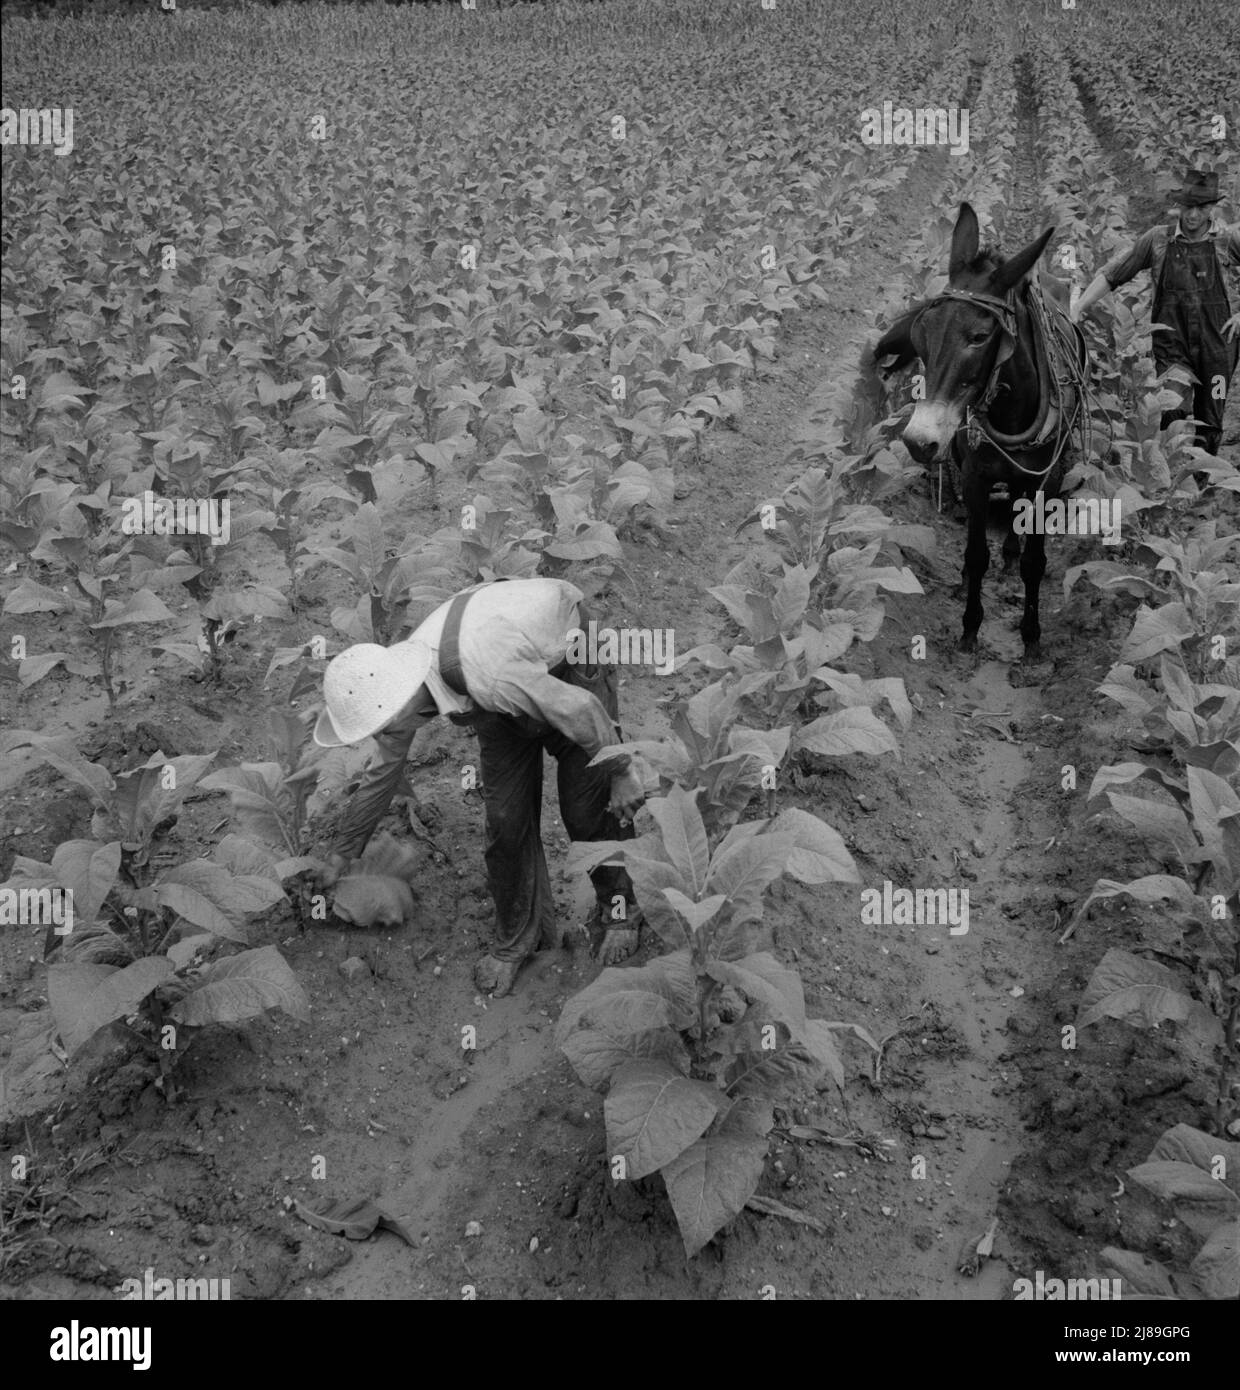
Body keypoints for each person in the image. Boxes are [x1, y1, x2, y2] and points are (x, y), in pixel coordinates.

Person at [313, 577, 647, 997]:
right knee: (505, 822)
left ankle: (621, 911)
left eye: (375, 730)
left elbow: (581, 708)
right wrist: (343, 853)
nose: (376, 737)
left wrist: (619, 770)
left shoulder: (484, 674)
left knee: (585, 811)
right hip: (503, 692)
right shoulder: (397, 690)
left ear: (395, 710)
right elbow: (381, 776)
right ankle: (517, 943)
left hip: (570, 661)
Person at [1072, 168, 1240, 454]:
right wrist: (1077, 308)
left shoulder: (1226, 240)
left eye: (1201, 208)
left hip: (1218, 350)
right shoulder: (1158, 240)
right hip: (1173, 347)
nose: (1193, 216)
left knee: (1211, 417)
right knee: (1171, 407)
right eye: (1188, 207)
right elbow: (1114, 273)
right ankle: (1169, 476)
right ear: (1179, 206)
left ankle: (1203, 485)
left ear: (1211, 208)